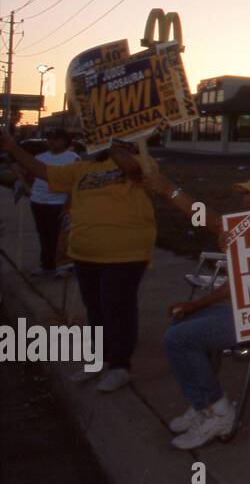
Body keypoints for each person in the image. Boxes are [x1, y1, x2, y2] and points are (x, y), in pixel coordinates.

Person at [143, 166, 250, 450]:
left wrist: (168, 189)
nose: (248, 199)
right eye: (246, 193)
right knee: (182, 322)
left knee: (178, 339)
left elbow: (209, 221)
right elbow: (237, 283)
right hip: (248, 312)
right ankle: (204, 403)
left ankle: (219, 411)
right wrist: (195, 304)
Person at [1, 130, 157, 392]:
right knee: (94, 309)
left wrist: (110, 141)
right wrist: (13, 149)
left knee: (117, 308)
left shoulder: (141, 161)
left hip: (124, 254)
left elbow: (133, 169)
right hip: (86, 254)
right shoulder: (81, 169)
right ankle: (98, 359)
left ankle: (120, 366)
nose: (90, 144)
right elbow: (45, 172)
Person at [18, 128, 78, 275]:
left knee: (59, 236)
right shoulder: (40, 157)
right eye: (49, 139)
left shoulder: (72, 158)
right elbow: (29, 177)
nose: (51, 142)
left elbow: (75, 184)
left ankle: (62, 265)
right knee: (43, 234)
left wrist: (68, 204)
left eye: (55, 138)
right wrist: (28, 189)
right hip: (38, 201)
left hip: (59, 202)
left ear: (64, 141)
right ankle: (46, 264)